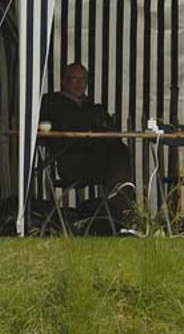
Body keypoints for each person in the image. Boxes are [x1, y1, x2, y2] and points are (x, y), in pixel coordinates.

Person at [41, 62, 137, 227]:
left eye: (83, 79)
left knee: (120, 152)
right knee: (118, 158)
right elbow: (42, 131)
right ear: (64, 82)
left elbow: (112, 134)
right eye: (74, 79)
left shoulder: (95, 108)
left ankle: (120, 213)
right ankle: (120, 212)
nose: (79, 84)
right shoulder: (52, 102)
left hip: (99, 160)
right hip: (70, 160)